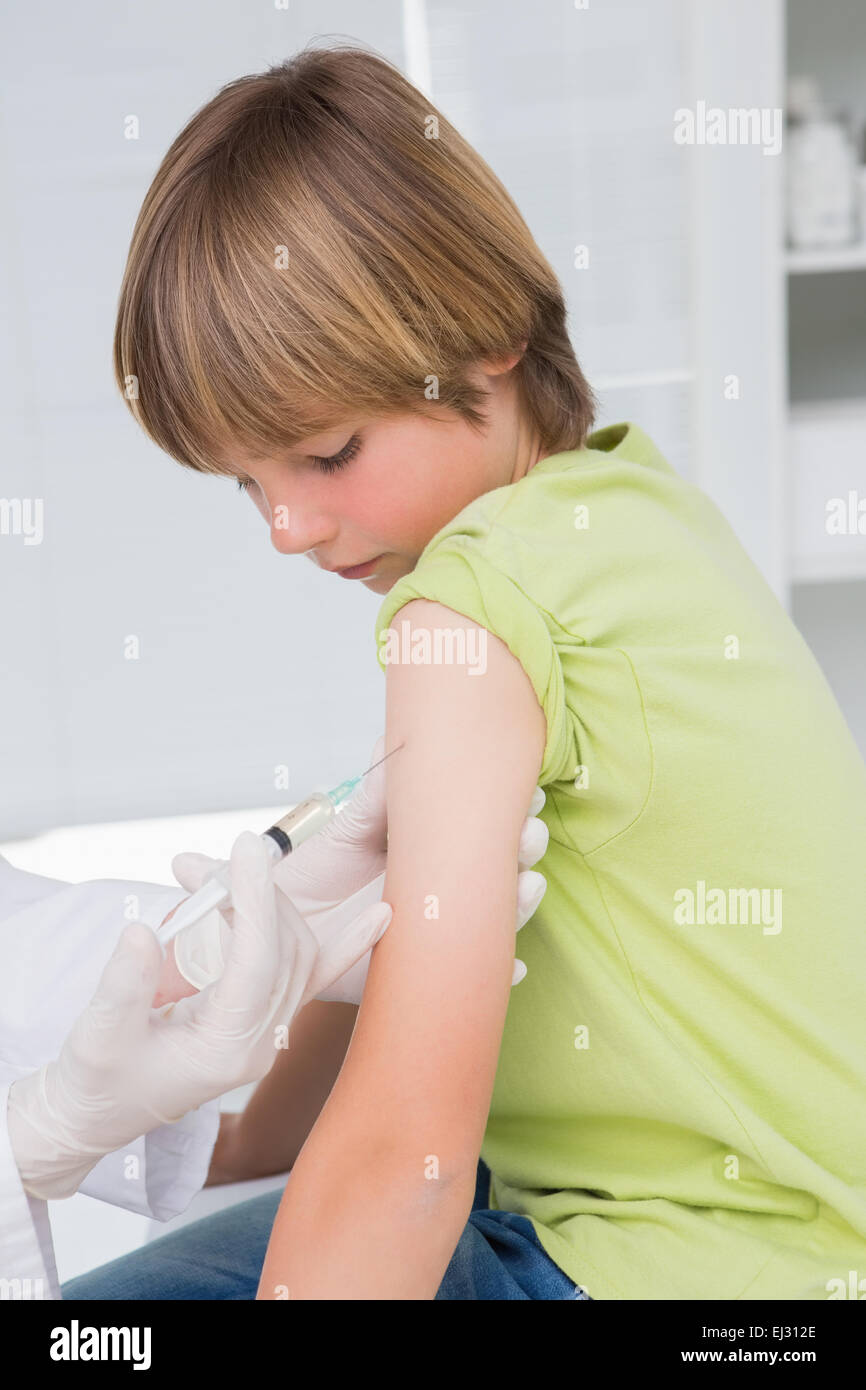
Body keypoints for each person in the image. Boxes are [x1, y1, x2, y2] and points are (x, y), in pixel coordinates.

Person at [65, 43, 866, 1299]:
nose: (287, 528)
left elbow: (410, 1161)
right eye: (246, 484)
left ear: (483, 341)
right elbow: (394, 966)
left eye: (324, 454)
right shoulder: (624, 508)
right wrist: (209, 1141)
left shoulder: (469, 601)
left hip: (692, 1266)